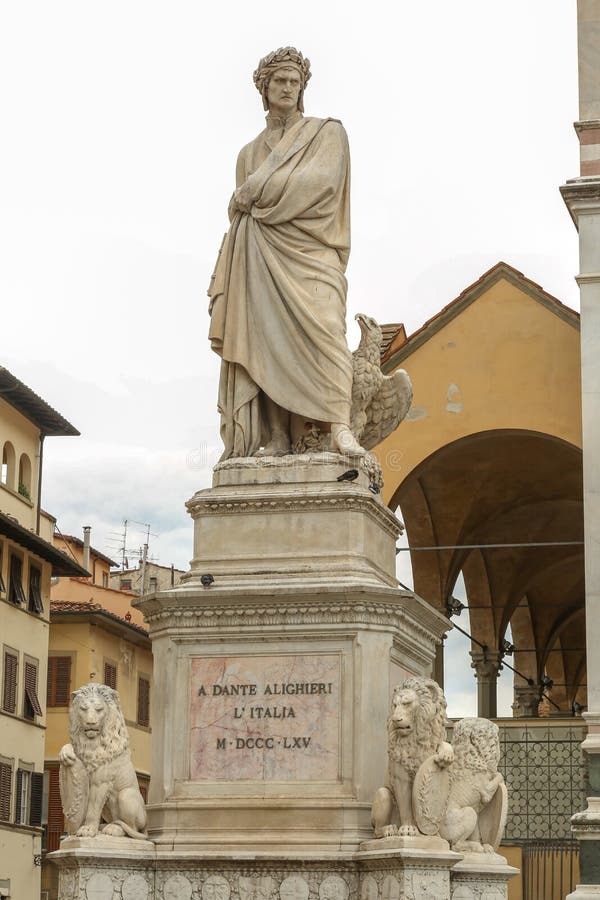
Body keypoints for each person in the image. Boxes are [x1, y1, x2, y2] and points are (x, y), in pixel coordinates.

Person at [208, 46, 364, 460]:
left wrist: (254, 191)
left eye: (295, 82)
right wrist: (247, 196)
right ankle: (277, 437)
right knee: (266, 340)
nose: (288, 88)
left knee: (328, 328)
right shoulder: (248, 154)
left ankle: (339, 426)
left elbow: (322, 183)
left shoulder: (327, 133)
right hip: (261, 255)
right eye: (280, 81)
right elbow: (240, 214)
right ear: (264, 88)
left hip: (313, 252)